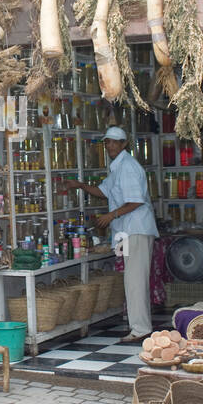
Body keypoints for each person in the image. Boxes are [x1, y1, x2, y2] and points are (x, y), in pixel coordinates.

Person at [63, 126, 158, 344]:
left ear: (124, 144)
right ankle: (139, 326)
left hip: (137, 229)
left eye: (116, 142)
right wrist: (79, 185)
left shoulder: (128, 167)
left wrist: (110, 215)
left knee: (135, 280)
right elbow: (103, 191)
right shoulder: (117, 167)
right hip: (127, 230)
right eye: (108, 142)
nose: (111, 146)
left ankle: (141, 329)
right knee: (131, 279)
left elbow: (136, 201)